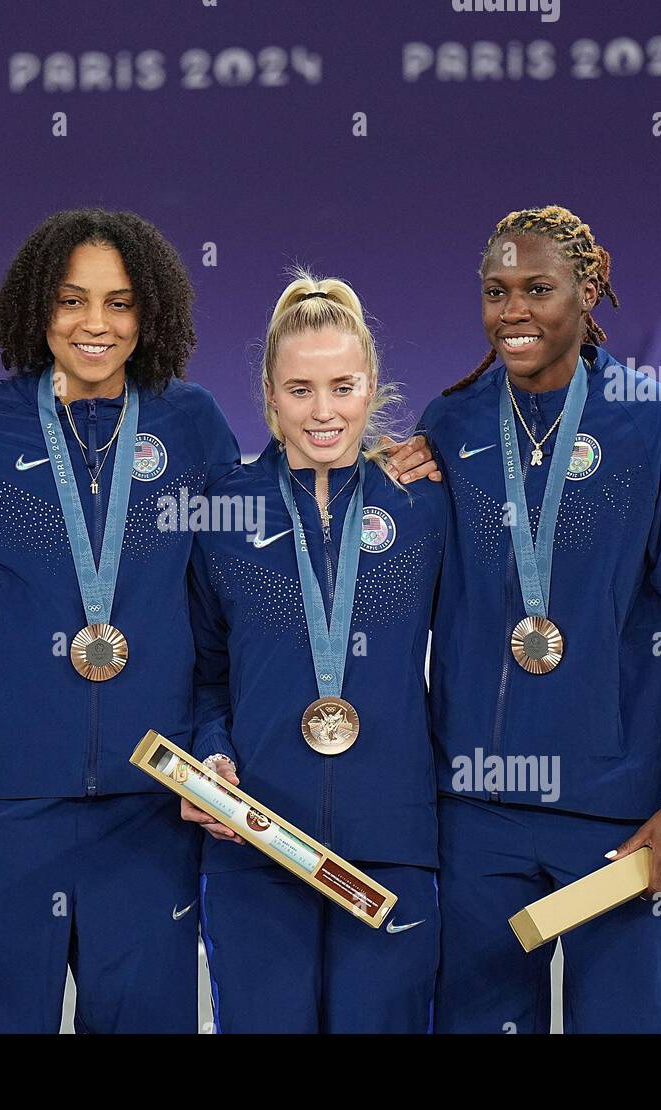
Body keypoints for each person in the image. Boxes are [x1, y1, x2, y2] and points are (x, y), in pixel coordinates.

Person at [0, 211, 439, 1033]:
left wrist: (392, 466)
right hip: (5, 807)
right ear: (37, 306)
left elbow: (258, 570)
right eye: (72, 300)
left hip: (151, 812)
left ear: (150, 312)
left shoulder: (191, 425)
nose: (96, 324)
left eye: (120, 302)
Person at [418, 205, 661, 1034]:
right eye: (496, 291)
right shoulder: (451, 425)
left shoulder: (657, 424)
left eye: (538, 288)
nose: (513, 311)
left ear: (588, 290)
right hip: (477, 816)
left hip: (618, 817)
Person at [184, 271, 448, 1033]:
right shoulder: (224, 512)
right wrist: (213, 757)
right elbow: (203, 675)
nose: (323, 411)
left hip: (391, 842)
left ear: (373, 388)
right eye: (301, 390)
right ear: (270, 395)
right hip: (257, 843)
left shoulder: (425, 504)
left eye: (343, 386)